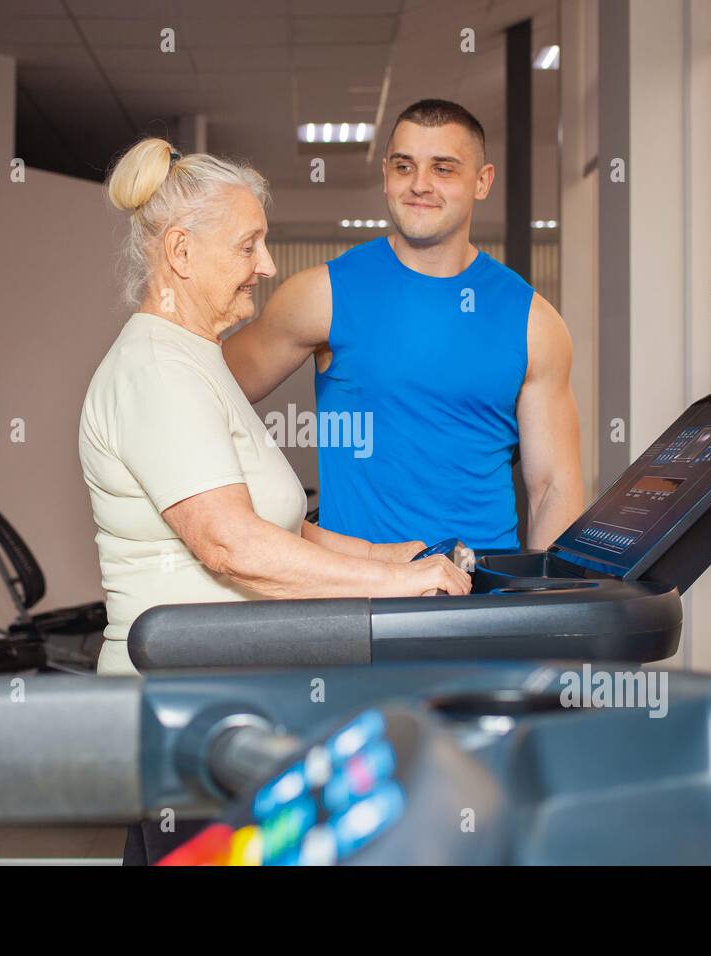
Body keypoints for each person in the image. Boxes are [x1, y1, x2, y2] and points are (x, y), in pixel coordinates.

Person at [79, 137, 472, 864]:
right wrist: (396, 585)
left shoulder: (198, 361)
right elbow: (229, 544)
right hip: (186, 712)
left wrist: (400, 557)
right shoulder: (155, 371)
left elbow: (273, 524)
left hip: (224, 698)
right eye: (249, 246)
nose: (265, 266)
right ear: (181, 251)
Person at [224, 99, 585, 552]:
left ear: (482, 181)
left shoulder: (533, 321)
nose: (419, 185)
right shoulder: (323, 295)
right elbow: (205, 389)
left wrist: (542, 612)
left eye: (444, 169)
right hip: (359, 597)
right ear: (385, 175)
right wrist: (258, 513)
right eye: (404, 166)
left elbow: (553, 489)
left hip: (480, 602)